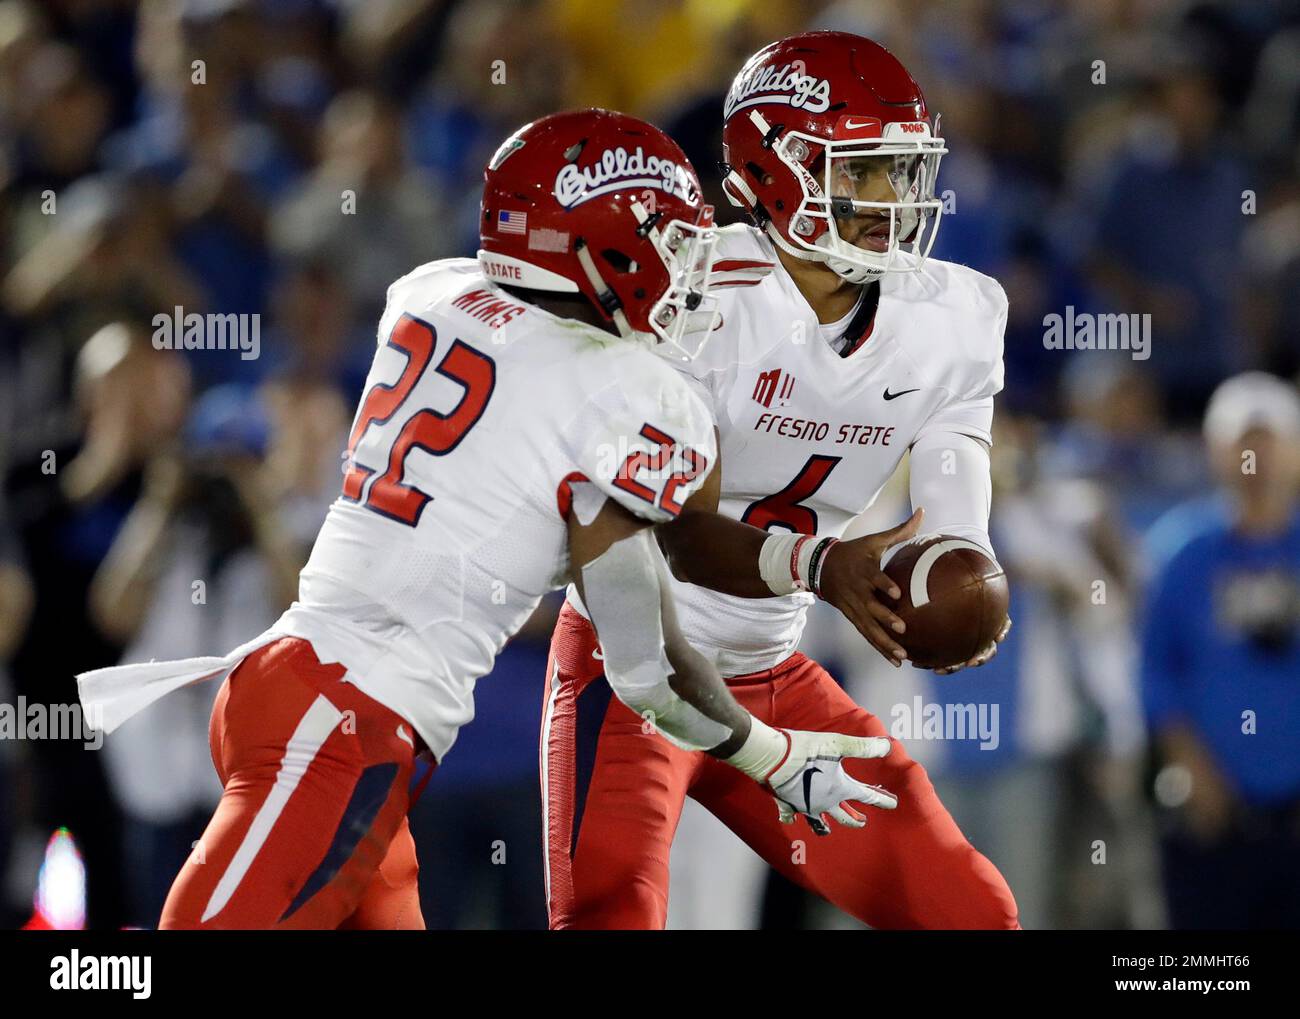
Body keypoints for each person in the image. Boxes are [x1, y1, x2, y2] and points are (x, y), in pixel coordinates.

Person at [77, 108, 896, 930]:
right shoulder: (623, 395)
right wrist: (773, 754)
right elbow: (648, 666)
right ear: (601, 243)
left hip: (306, 686)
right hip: (344, 719)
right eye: (675, 245)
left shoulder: (432, 293)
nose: (690, 278)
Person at [542, 33, 1019, 930]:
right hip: (634, 667)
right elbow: (678, 533)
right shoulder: (694, 296)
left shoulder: (953, 314)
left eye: (902, 170)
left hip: (771, 670)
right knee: (613, 915)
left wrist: (960, 562)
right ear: (777, 170)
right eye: (863, 170)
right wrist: (822, 566)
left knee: (972, 910)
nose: (892, 198)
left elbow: (955, 460)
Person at [1141, 371, 1300, 929]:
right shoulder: (1183, 550)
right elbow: (1156, 672)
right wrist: (1190, 764)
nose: (1256, 458)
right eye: (1242, 443)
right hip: (1212, 819)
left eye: (1270, 441)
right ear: (1215, 452)